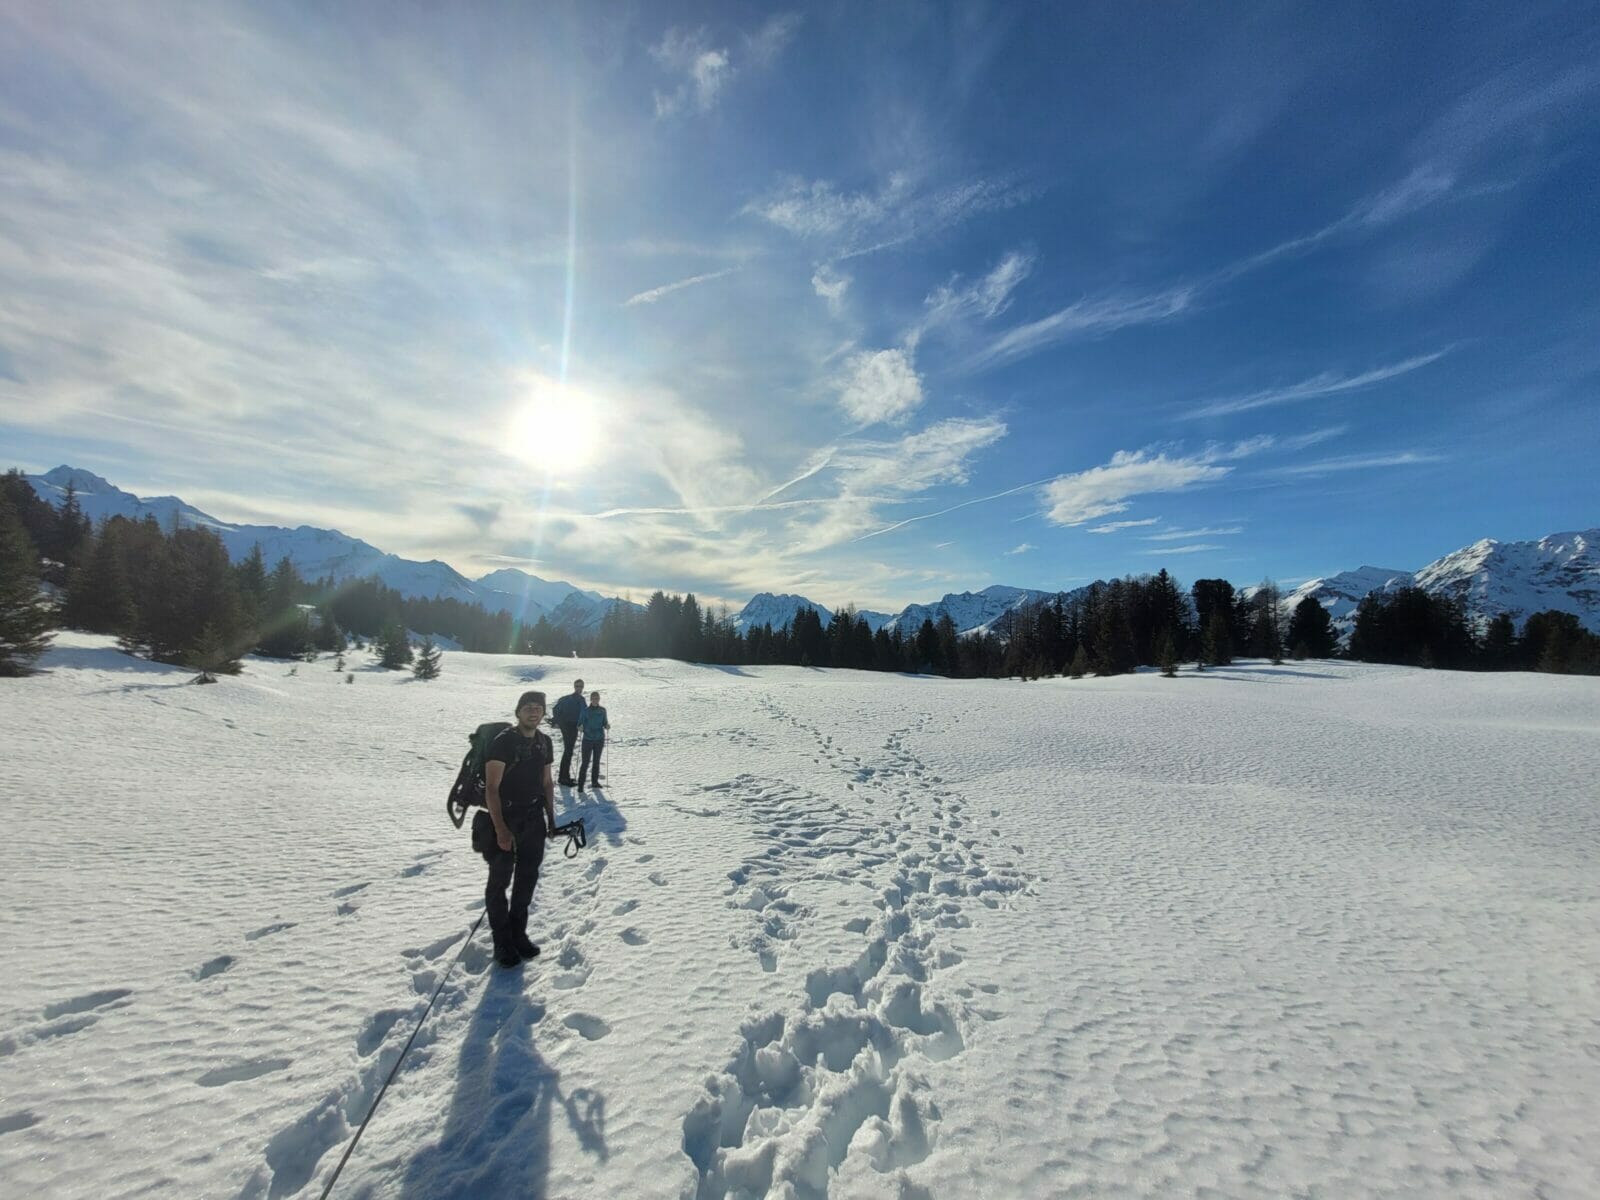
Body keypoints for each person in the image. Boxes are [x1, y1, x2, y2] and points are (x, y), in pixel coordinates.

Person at [479, 690, 558, 968]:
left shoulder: (544, 742)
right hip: (505, 818)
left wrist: (551, 817)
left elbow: (547, 782)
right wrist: (500, 829)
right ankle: (502, 941)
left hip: (534, 820)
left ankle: (518, 934)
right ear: (518, 712)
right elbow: (492, 788)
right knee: (499, 882)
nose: (534, 712)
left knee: (527, 878)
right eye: (528, 707)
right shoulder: (503, 743)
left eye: (538, 707)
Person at [550, 677, 587, 786]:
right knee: (568, 751)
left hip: (568, 726)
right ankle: (563, 778)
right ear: (574, 687)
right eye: (577, 686)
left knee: (568, 751)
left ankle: (564, 776)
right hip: (570, 726)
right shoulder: (578, 699)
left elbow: (555, 709)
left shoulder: (569, 698)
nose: (579, 688)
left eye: (580, 686)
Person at [576, 690, 609, 791]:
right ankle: (580, 785)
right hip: (588, 739)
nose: (595, 700)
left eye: (597, 698)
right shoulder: (585, 711)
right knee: (585, 762)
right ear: (591, 699)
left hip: (599, 739)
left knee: (596, 761)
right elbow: (579, 723)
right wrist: (580, 727)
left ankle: (594, 782)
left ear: (599, 699)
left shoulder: (603, 710)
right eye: (594, 698)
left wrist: (607, 725)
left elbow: (605, 722)